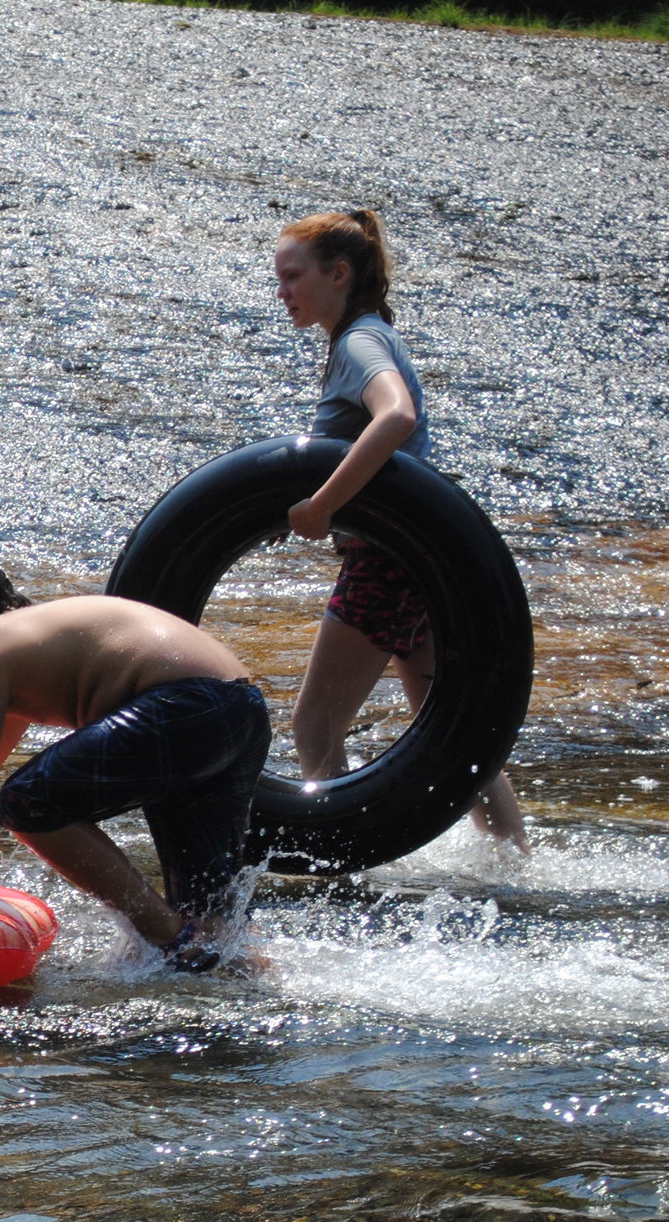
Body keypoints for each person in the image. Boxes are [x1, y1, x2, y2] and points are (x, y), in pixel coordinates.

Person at [0, 554, 268, 972]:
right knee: (208, 908)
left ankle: (170, 939)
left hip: (186, 705)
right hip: (241, 709)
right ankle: (243, 973)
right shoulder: (28, 642)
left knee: (29, 802)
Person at [275, 209, 528, 850]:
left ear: (339, 274)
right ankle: (515, 862)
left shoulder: (359, 342)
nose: (283, 292)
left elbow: (395, 418)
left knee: (314, 727)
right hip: (419, 560)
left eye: (293, 276)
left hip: (385, 560)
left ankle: (340, 867)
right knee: (450, 728)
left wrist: (322, 505)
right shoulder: (368, 335)